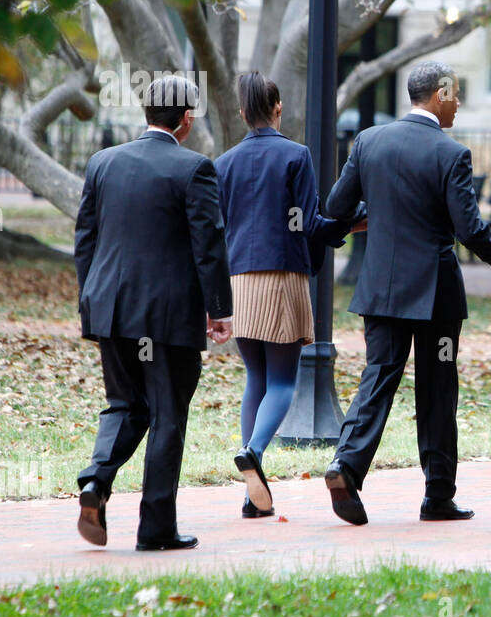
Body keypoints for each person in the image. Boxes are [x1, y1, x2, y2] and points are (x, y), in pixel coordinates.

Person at [320, 61, 491, 525]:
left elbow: (338, 207)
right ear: (440, 94)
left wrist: (377, 211)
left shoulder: (369, 142)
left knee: (378, 375)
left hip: (380, 285)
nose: (458, 104)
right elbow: (469, 229)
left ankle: (345, 464)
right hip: (434, 294)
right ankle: (438, 495)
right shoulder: (451, 154)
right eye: (456, 95)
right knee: (438, 388)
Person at [73, 76, 233, 551]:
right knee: (166, 415)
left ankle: (96, 482)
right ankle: (156, 528)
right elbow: (209, 245)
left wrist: (93, 299)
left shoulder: (103, 162)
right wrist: (219, 309)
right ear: (186, 119)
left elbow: (85, 240)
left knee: (125, 404)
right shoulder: (194, 168)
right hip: (166, 317)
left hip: (110, 309)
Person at [214, 72, 361, 519]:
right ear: (277, 107)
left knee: (255, 380)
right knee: (283, 382)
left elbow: (218, 232)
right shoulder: (296, 156)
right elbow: (310, 224)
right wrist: (352, 222)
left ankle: (250, 496)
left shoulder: (224, 163)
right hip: (281, 279)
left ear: (242, 113)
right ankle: (253, 453)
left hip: (238, 281)